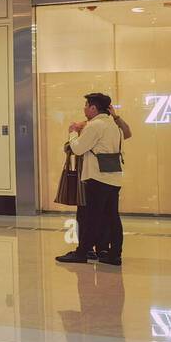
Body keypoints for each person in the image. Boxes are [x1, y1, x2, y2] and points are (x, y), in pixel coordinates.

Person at [57, 92, 128, 266]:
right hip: (114, 178)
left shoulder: (95, 125)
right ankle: (114, 254)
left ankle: (82, 253)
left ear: (93, 108)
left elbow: (78, 148)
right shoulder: (114, 126)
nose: (84, 109)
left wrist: (73, 133)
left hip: (97, 177)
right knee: (112, 217)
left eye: (86, 105)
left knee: (91, 217)